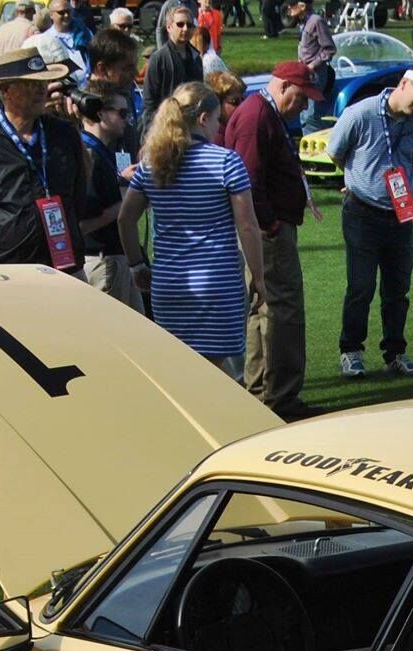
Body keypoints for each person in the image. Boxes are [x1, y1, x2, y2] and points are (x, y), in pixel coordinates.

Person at [119, 81, 266, 377]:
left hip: (168, 284)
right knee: (217, 375)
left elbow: (125, 219)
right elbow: (248, 226)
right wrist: (259, 278)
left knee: (178, 373)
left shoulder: (151, 164)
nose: (217, 128)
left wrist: (136, 265)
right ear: (203, 119)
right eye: (216, 120)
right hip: (216, 285)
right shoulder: (225, 161)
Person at [222, 59, 316, 415]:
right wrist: (270, 223)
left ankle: (261, 393)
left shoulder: (259, 112)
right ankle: (281, 397)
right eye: (302, 96)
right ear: (282, 87)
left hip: (265, 227)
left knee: (264, 309)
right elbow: (246, 179)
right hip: (267, 231)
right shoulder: (257, 116)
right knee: (281, 308)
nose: (306, 105)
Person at [327, 68, 413, 378]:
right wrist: (356, 177)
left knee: (398, 289)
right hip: (362, 211)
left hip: (401, 215)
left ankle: (395, 352)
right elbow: (336, 152)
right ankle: (351, 351)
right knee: (361, 286)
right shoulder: (359, 113)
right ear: (403, 84)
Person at [0, 52, 86, 263]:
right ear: (5, 90)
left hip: (62, 267)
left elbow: (79, 197)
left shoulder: (64, 134)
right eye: (30, 84)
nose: (41, 89)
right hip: (1, 274)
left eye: (43, 81)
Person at [75, 83, 138, 310]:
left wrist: (122, 178)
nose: (126, 120)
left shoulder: (102, 151)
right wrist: (131, 202)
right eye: (121, 113)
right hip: (103, 260)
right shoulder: (88, 155)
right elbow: (83, 223)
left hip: (116, 257)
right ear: (100, 113)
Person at [83, 22, 138, 152]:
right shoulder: (84, 107)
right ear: (102, 68)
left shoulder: (122, 92)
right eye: (126, 68)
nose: (135, 73)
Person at [141, 0, 197, 116]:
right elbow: (149, 103)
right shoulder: (158, 60)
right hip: (165, 123)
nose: (185, 28)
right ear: (169, 27)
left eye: (189, 25)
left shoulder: (196, 57)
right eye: (180, 24)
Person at [288, 0, 331, 131]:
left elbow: (329, 49)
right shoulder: (302, 23)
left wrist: (312, 65)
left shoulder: (316, 21)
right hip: (304, 72)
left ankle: (315, 147)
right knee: (303, 112)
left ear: (302, 6)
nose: (289, 7)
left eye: (292, 4)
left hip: (315, 74)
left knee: (311, 116)